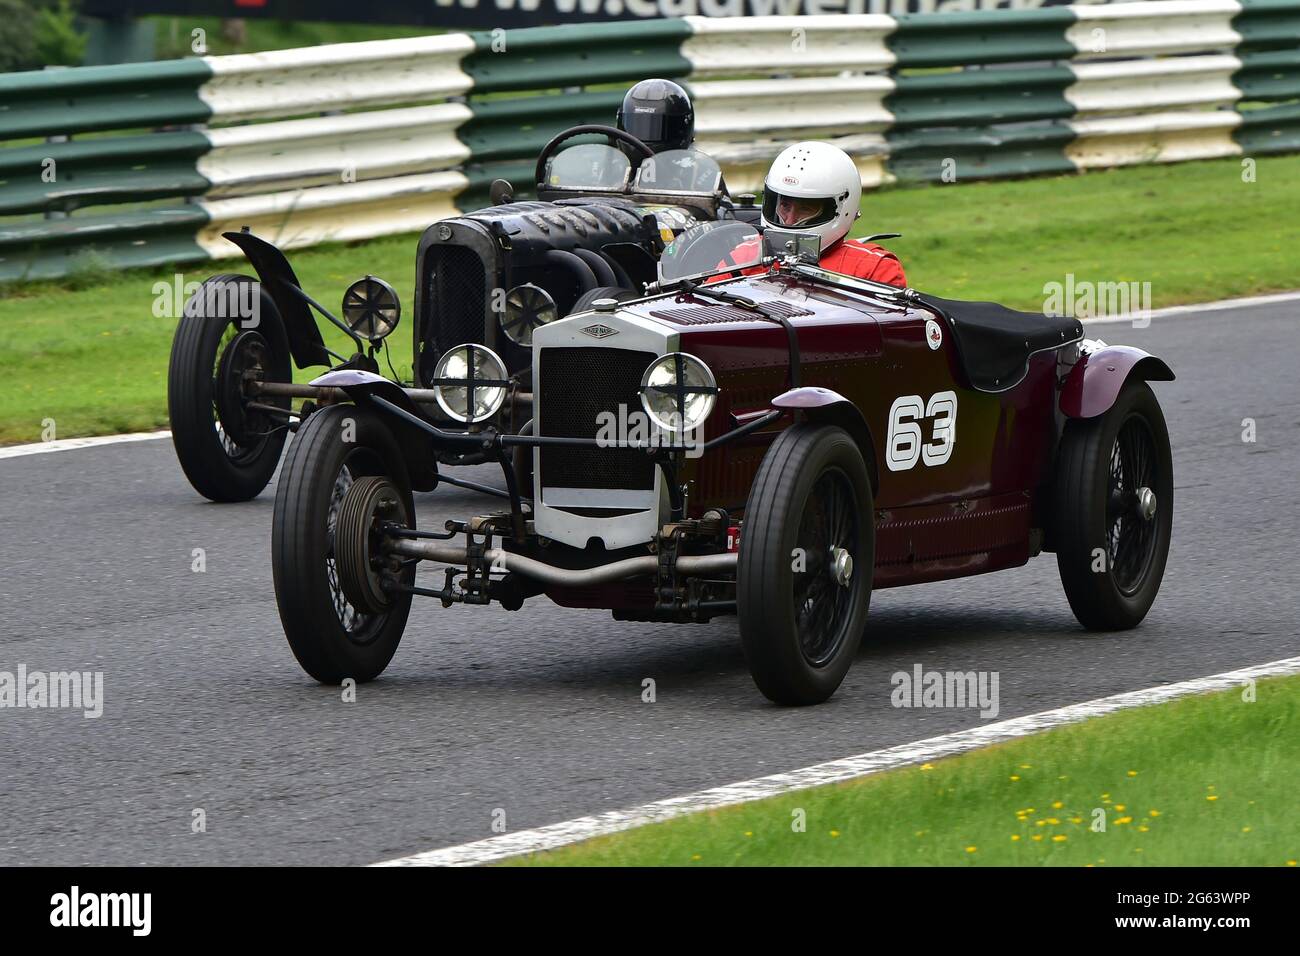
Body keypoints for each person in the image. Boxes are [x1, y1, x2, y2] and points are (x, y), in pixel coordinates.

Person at [759, 141, 906, 287]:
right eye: (785, 205)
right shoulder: (747, 255)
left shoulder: (873, 268)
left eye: (805, 209)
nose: (789, 220)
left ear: (841, 208)